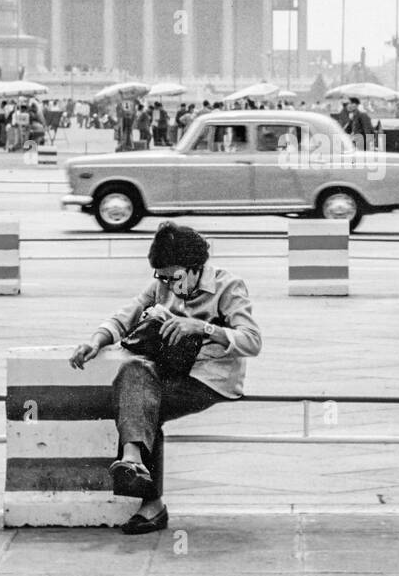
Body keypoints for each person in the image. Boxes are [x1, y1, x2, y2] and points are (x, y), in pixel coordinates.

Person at [67, 222, 261, 535]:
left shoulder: (229, 287)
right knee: (132, 373)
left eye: (176, 277)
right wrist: (96, 340)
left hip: (210, 378)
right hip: (167, 370)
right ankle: (132, 460)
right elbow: (126, 314)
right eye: (163, 277)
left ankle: (150, 502)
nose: (169, 284)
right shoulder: (161, 283)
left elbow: (252, 341)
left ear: (196, 269)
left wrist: (202, 328)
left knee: (143, 407)